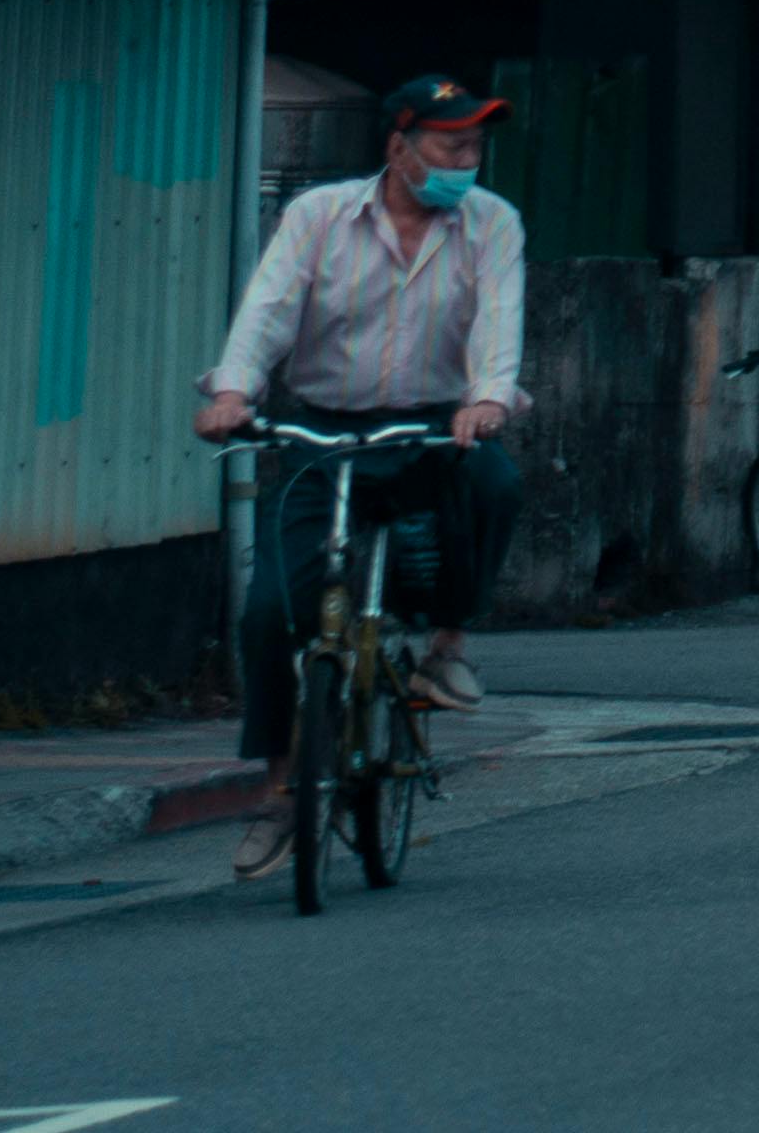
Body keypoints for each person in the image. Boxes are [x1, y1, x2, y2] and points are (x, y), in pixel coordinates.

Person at [195, 71, 525, 871]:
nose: (466, 159)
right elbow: (267, 311)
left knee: (495, 485)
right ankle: (281, 792)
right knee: (272, 610)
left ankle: (447, 647)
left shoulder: (492, 223)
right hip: (321, 428)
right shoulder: (318, 216)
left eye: (475, 145)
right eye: (451, 144)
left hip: (435, 423)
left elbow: (498, 322)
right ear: (398, 148)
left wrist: (486, 401)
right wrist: (235, 392)